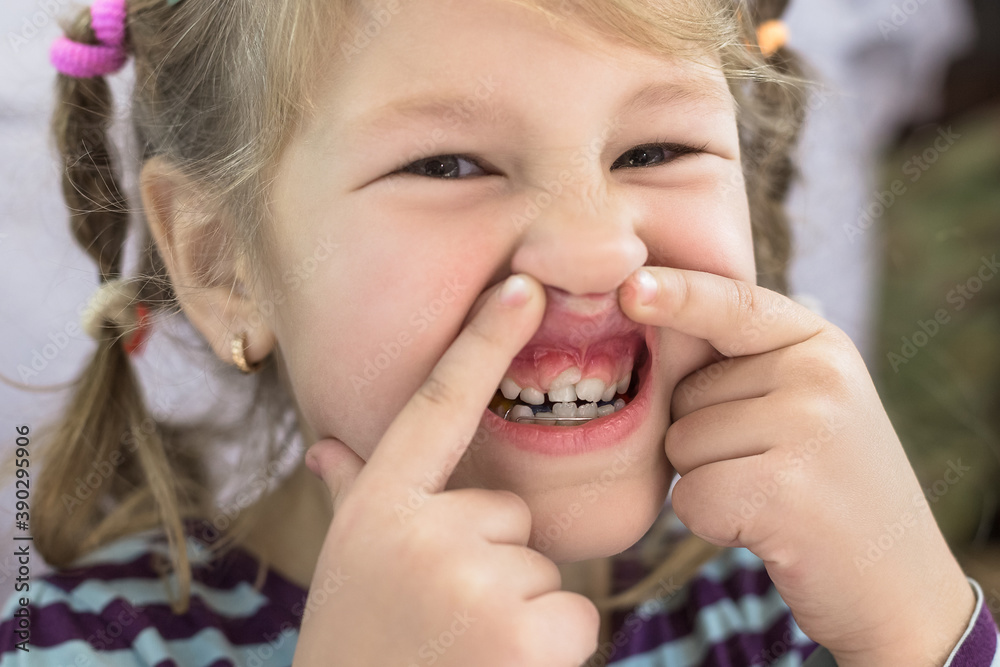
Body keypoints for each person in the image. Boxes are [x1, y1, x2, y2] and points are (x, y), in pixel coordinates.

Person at [1, 0, 998, 665]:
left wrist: (922, 631)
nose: (594, 250)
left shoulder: (804, 606)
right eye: (447, 165)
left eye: (657, 148)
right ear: (226, 263)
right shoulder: (71, 648)